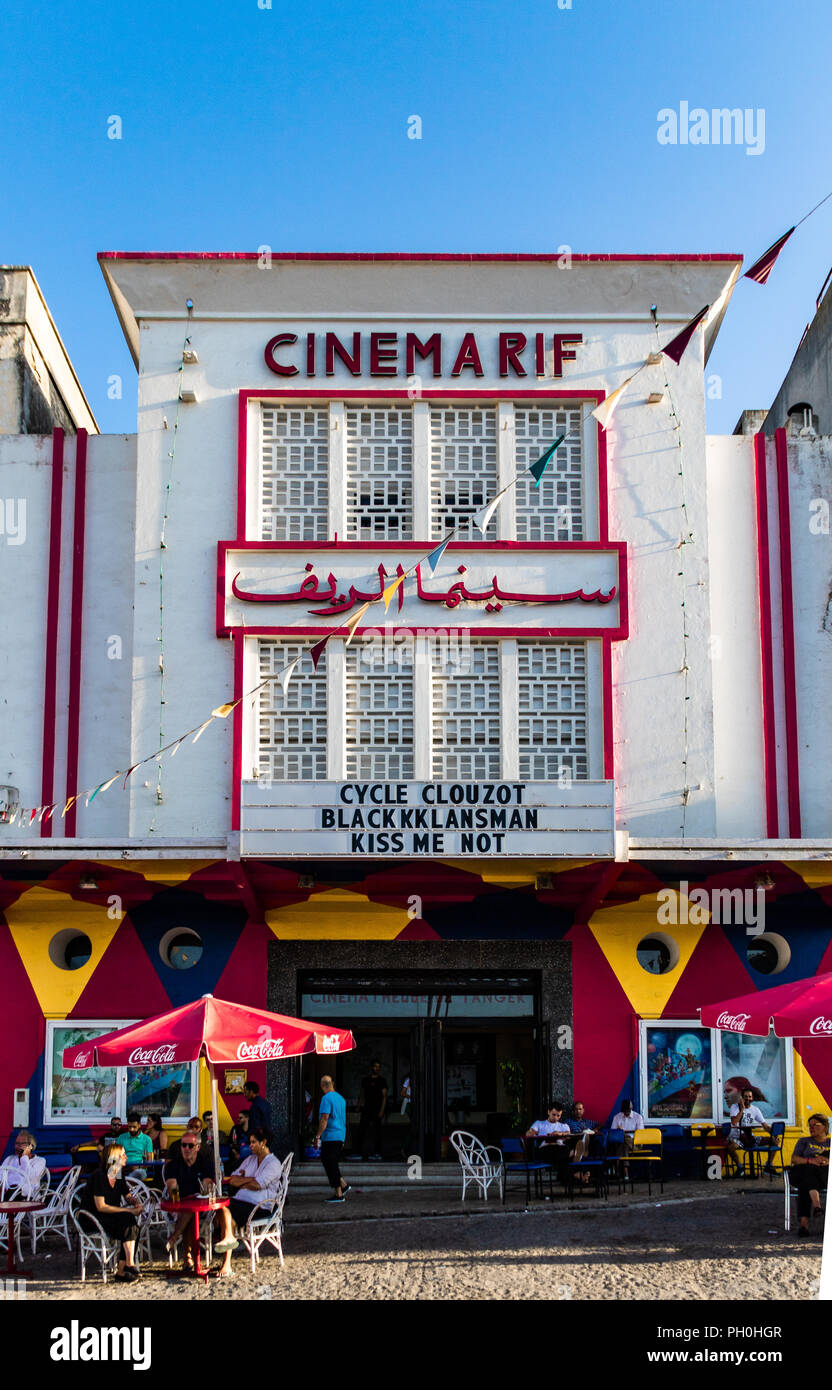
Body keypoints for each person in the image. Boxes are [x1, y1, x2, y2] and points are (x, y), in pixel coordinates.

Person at [213, 1128, 283, 1276]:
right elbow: (233, 1179)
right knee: (222, 1209)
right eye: (249, 1142)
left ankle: (226, 1257)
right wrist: (249, 1181)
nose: (250, 1145)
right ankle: (227, 1252)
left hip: (259, 1206)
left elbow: (258, 1185)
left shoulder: (274, 1163)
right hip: (240, 1201)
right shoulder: (249, 1160)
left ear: (263, 1143)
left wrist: (245, 1182)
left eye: (253, 1142)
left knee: (224, 1210)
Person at [84, 1143, 143, 1283]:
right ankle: (125, 1268)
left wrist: (135, 1202)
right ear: (113, 1158)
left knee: (132, 1226)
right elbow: (101, 1207)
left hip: (111, 1216)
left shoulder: (117, 1173)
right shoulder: (99, 1176)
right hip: (92, 1218)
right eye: (123, 1155)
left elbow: (127, 1195)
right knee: (129, 1221)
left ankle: (126, 1267)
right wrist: (129, 1210)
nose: (126, 1157)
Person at [163, 1128, 213, 1272]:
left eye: (190, 1146)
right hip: (180, 1206)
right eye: (183, 1145)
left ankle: (177, 1242)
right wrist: (174, 1190)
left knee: (193, 1210)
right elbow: (172, 1186)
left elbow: (206, 1185)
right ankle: (189, 1258)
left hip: (201, 1206)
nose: (186, 1149)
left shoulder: (205, 1163)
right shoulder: (173, 1165)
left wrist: (204, 1187)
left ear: (197, 1147)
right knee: (189, 1212)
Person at [791, 1114, 830, 1238]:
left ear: (825, 1127)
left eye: (815, 1125)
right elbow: (794, 1159)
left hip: (824, 1176)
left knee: (806, 1184)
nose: (811, 1128)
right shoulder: (804, 1141)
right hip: (803, 1172)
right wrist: (810, 1161)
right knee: (808, 1172)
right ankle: (817, 1206)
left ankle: (804, 1225)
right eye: (810, 1126)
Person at [314, 1075, 351, 1203]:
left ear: (322, 1086)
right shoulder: (341, 1099)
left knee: (329, 1163)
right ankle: (343, 1185)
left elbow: (324, 1118)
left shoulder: (326, 1098)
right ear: (332, 1084)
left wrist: (317, 1136)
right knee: (332, 1163)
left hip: (330, 1135)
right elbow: (343, 1119)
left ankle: (339, 1194)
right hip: (340, 1135)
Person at [726, 1086, 771, 1174]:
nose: (747, 1099)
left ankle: (768, 1166)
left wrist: (773, 1134)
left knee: (774, 1141)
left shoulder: (755, 1109)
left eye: (749, 1097)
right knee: (731, 1147)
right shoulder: (734, 1107)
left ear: (752, 1098)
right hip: (737, 1137)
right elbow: (734, 1122)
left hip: (749, 1137)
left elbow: (765, 1126)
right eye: (745, 1096)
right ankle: (740, 1167)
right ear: (741, 1098)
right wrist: (742, 1109)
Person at [525, 1104, 572, 1182]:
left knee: (563, 1150)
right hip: (545, 1149)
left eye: (558, 1116)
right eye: (553, 1115)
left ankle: (564, 1176)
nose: (556, 1118)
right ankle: (572, 1155)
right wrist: (533, 1133)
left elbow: (569, 1135)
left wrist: (559, 1134)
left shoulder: (564, 1126)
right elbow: (528, 1134)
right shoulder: (539, 1123)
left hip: (559, 1148)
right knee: (565, 1155)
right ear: (548, 1112)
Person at [0, 1130, 46, 1197]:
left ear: (30, 1146)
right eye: (16, 1143)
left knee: (13, 1190)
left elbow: (31, 1178)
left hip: (27, 1196)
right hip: (6, 1195)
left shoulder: (39, 1161)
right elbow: (1, 1176)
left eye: (22, 1144)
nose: (18, 1146)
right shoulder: (10, 1159)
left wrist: (24, 1157)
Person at [358, 1059, 388, 1160]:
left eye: (379, 1067)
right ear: (371, 1067)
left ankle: (377, 1152)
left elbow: (384, 1096)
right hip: (367, 1108)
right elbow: (362, 1094)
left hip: (377, 1109)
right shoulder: (365, 1080)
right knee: (362, 1129)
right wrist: (358, 1106)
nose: (377, 1069)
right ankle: (359, 1152)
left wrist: (382, 1110)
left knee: (377, 1131)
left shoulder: (382, 1081)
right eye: (375, 1066)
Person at [610, 1100, 645, 1175]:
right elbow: (613, 1133)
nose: (626, 1113)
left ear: (631, 1108)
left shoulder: (638, 1117)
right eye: (624, 1111)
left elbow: (640, 1134)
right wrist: (619, 1132)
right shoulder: (617, 1117)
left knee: (623, 1138)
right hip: (621, 1143)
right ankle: (626, 1173)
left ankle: (616, 1167)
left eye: (628, 1110)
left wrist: (624, 1134)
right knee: (623, 1145)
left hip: (635, 1143)